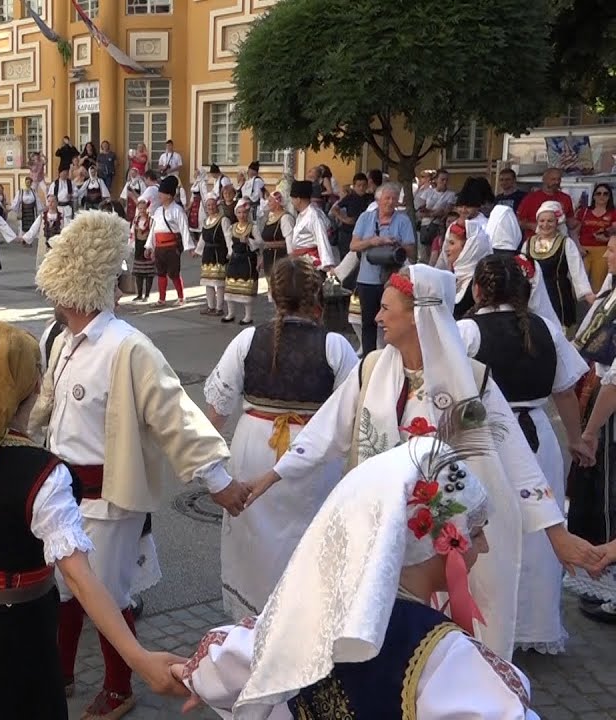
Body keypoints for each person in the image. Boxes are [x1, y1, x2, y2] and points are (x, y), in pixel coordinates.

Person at [244, 264, 603, 658]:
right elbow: (322, 433)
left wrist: (557, 535)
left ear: (419, 315)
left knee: (448, 641)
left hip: (451, 539)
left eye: (385, 308)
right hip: (387, 531)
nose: (376, 317)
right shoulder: (372, 369)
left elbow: (518, 461)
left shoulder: (472, 382)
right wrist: (272, 476)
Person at [0, 322, 190, 719]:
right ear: (36, 385)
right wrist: (138, 658)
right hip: (20, 622)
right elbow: (80, 579)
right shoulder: (45, 475)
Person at [28, 211, 233, 719]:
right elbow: (46, 406)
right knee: (66, 589)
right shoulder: (60, 340)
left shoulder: (128, 346)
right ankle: (62, 670)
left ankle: (120, 687)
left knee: (108, 595)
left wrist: (218, 479)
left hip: (108, 497)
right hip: (62, 492)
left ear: (75, 286)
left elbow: (176, 417)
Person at [177, 438, 543, 719]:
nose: (487, 547)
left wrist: (187, 674)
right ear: (437, 543)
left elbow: (229, 662)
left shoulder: (306, 617)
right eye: (476, 532)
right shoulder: (446, 657)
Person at [203, 256, 358, 618]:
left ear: (271, 296)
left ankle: (253, 620)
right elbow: (353, 419)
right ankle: (300, 617)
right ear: (315, 295)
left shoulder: (247, 340)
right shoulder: (336, 346)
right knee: (307, 534)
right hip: (315, 454)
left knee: (253, 538)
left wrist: (212, 473)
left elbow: (215, 416)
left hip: (253, 446)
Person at [456, 253, 587, 651]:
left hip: (485, 438)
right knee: (537, 528)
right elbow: (565, 390)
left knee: (486, 527)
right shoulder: (547, 328)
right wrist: (576, 439)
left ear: (477, 289)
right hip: (538, 436)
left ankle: (483, 622)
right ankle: (530, 623)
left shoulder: (466, 331)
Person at [569, 233, 616, 622]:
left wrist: (591, 429)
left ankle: (608, 571)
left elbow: (615, 378)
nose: (608, 256)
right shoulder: (609, 294)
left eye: (614, 251)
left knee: (609, 489)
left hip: (610, 407)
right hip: (598, 389)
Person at [349, 182, 416, 354]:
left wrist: (394, 243)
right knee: (368, 323)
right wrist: (373, 241)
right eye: (387, 198)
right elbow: (353, 245)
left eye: (394, 199)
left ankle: (392, 356)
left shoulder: (403, 220)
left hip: (392, 280)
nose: (390, 202)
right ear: (378, 200)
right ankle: (368, 358)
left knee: (393, 320)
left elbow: (410, 251)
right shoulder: (365, 218)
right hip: (367, 279)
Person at [526, 200, 594, 328]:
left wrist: (587, 293)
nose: (545, 224)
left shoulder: (566, 243)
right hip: (534, 295)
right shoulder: (529, 243)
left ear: (557, 222)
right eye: (542, 221)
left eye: (550, 221)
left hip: (558, 294)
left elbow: (577, 270)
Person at [221, 198, 263, 325]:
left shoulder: (253, 227)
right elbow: (229, 242)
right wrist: (229, 253)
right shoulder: (232, 227)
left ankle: (248, 316)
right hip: (235, 259)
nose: (241, 215)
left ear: (248, 213)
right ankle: (230, 313)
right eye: (239, 212)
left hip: (248, 259)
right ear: (235, 213)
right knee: (230, 287)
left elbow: (261, 243)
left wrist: (249, 241)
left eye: (244, 212)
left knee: (246, 289)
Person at [150, 176, 190, 306]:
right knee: (161, 273)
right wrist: (149, 246)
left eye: (162, 193)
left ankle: (181, 297)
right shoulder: (158, 211)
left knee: (174, 273)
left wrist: (189, 246)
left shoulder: (177, 210)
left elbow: (184, 228)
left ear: (169, 195)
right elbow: (153, 230)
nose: (159, 195)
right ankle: (162, 298)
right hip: (159, 247)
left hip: (172, 247)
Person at [444, 220, 493, 317]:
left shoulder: (481, 281)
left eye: (452, 243)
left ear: (468, 249)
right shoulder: (455, 277)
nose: (446, 249)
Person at [287, 180, 337, 269]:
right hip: (300, 259)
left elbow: (321, 237)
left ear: (298, 199)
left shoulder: (314, 215)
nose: (292, 202)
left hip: (310, 261)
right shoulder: (303, 214)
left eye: (292, 199)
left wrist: (327, 264)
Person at [576, 183, 614, 292]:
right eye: (598, 193)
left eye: (605, 194)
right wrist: (578, 247)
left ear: (609, 197)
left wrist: (606, 238)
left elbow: (614, 233)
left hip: (602, 250)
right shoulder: (583, 212)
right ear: (593, 196)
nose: (602, 196)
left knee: (598, 285)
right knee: (578, 285)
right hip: (584, 250)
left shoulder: (613, 213)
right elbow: (574, 232)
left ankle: (593, 308)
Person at [198, 194, 232, 314]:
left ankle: (219, 308)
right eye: (208, 205)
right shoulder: (206, 221)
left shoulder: (223, 220)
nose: (210, 207)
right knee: (208, 281)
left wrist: (230, 251)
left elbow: (228, 236)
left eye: (212, 205)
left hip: (219, 253)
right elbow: (203, 237)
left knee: (219, 282)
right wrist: (198, 250)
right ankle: (210, 306)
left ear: (216, 206)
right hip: (208, 253)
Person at [518, 167, 576, 237]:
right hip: (535, 241)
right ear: (544, 179)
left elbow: (570, 222)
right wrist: (534, 226)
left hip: (559, 241)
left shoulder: (566, 198)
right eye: (553, 179)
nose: (557, 182)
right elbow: (519, 222)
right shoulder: (530, 198)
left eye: (559, 179)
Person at [24, 193, 70, 262]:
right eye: (49, 201)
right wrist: (25, 238)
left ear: (57, 203)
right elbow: (33, 229)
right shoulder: (42, 216)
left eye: (53, 201)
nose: (50, 204)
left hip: (57, 248)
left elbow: (68, 230)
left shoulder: (62, 217)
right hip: (44, 247)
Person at [258, 190, 294, 277]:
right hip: (268, 259)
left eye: (270, 201)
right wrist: (262, 258)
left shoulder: (285, 218)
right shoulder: (270, 217)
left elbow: (289, 242)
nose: (268, 203)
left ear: (277, 202)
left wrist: (291, 261)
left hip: (280, 259)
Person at [128, 199, 155, 302]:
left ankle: (147, 295)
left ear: (147, 208)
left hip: (147, 247)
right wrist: (130, 247)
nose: (142, 210)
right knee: (138, 273)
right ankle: (139, 294)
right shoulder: (136, 220)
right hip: (138, 247)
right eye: (140, 208)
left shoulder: (151, 220)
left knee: (148, 273)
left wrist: (151, 248)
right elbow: (132, 234)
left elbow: (153, 235)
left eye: (144, 208)